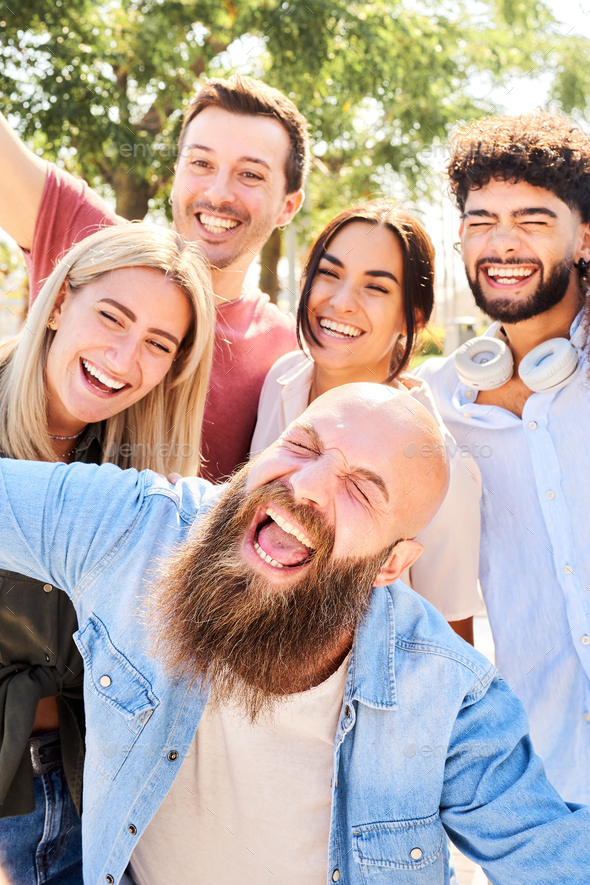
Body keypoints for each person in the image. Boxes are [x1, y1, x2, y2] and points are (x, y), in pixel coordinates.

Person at [0, 384, 589, 885]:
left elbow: (550, 858)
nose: (306, 485)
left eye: (361, 490)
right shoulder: (135, 530)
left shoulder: (445, 693)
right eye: (302, 446)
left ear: (390, 564)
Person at [0, 222, 215, 884]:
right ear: (61, 301)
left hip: (93, 792)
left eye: (157, 343)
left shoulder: (144, 478)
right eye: (112, 317)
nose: (123, 358)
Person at [0, 74, 308, 481]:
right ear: (176, 173)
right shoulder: (97, 246)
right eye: (201, 163)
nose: (219, 193)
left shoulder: (287, 360)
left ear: (288, 206)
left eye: (251, 174)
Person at [415, 110, 590, 804]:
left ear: (584, 236)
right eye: (481, 220)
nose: (502, 242)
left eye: (532, 220)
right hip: (543, 790)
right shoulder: (436, 405)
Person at [251, 201, 482, 642]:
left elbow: (452, 644)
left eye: (375, 287)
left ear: (412, 318)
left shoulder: (440, 467)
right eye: (329, 273)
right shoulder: (283, 380)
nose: (341, 302)